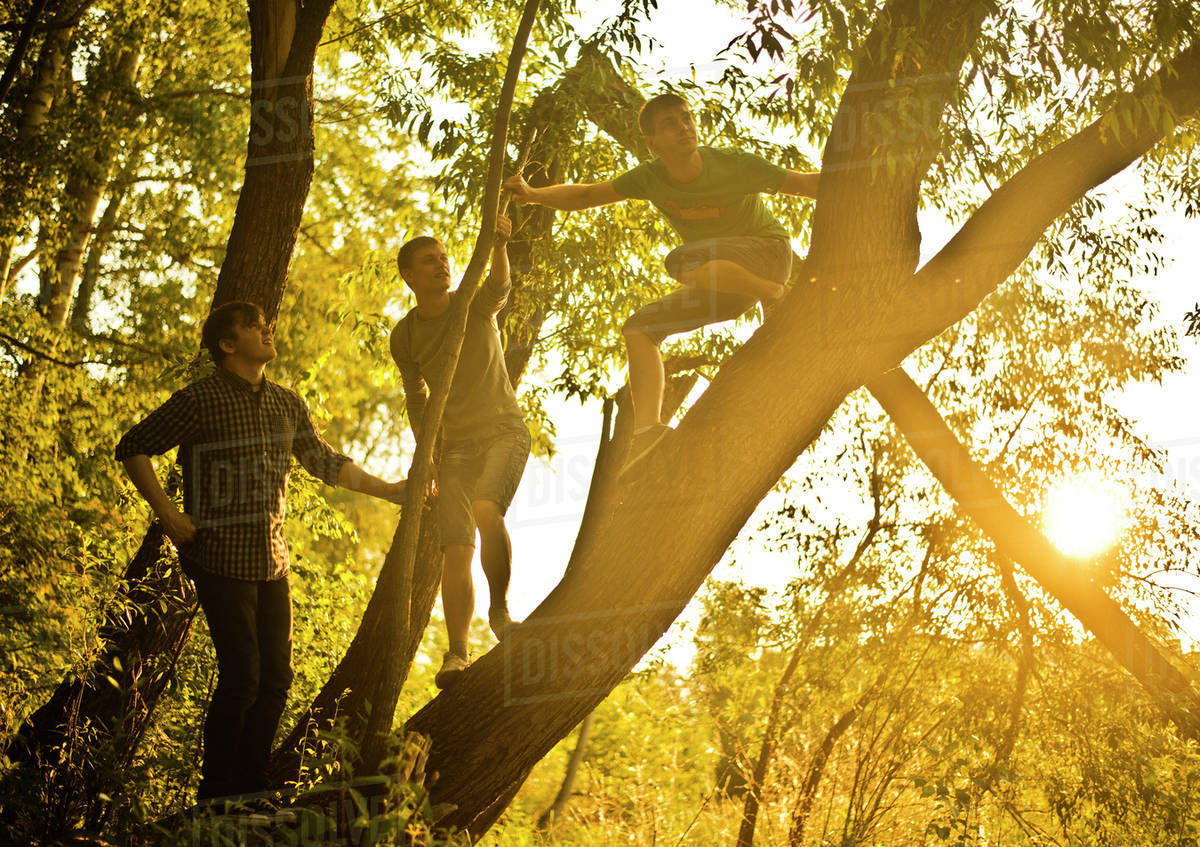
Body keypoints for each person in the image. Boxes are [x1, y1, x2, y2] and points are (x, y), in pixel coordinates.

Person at [115, 301, 406, 816]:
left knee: (276, 678)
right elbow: (133, 446)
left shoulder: (287, 404)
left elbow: (324, 462)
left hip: (273, 560)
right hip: (219, 558)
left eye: (265, 323)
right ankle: (216, 793)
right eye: (252, 325)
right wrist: (167, 513)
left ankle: (248, 788)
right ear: (228, 345)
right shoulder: (200, 399)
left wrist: (390, 490)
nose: (266, 329)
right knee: (243, 676)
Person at [504, 92, 819, 469]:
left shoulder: (733, 164)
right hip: (727, 285)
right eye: (670, 125)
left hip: (769, 255)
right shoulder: (650, 178)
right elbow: (588, 194)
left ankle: (775, 295)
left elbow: (806, 184)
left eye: (686, 119)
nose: (684, 128)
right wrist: (533, 194)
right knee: (639, 328)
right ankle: (648, 432)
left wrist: (873, 167)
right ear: (652, 143)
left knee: (681, 260)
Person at [390, 214, 530, 689]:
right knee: (455, 548)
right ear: (408, 275)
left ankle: (501, 610)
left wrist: (499, 243)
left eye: (445, 258)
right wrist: (425, 454)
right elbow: (417, 399)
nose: (442, 265)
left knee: (488, 508)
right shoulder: (405, 336)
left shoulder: (471, 303)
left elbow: (499, 285)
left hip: (503, 431)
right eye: (430, 261)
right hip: (455, 449)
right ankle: (457, 655)